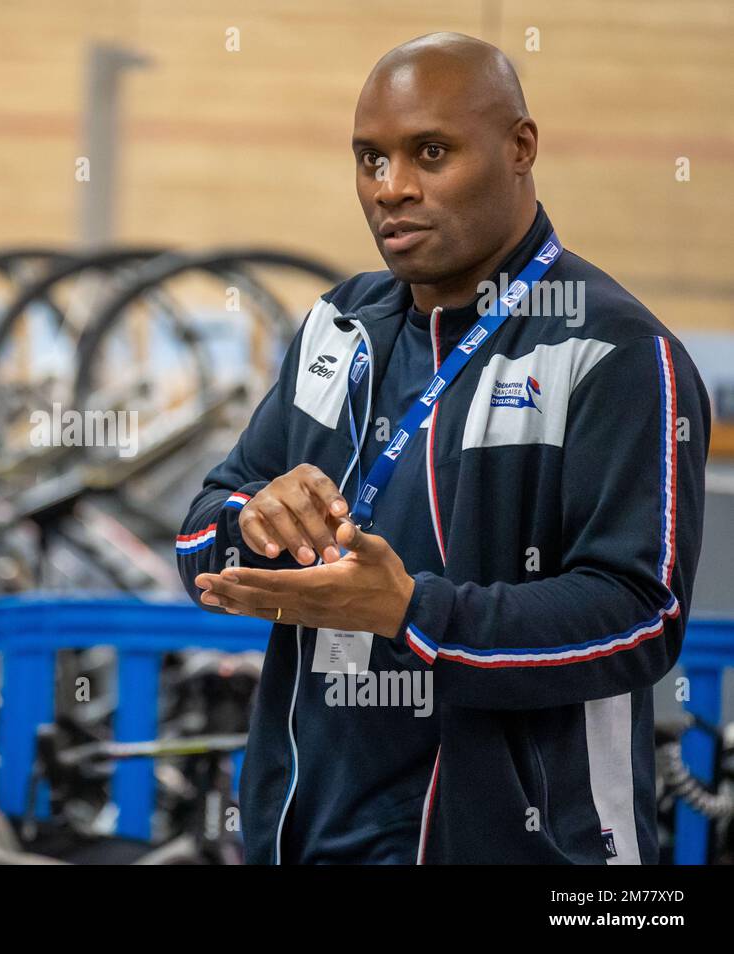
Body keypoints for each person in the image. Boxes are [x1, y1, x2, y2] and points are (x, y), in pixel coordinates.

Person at [178, 33, 709, 864]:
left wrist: (412, 615)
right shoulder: (336, 328)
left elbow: (641, 615)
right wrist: (254, 524)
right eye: (370, 159)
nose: (391, 188)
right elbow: (200, 534)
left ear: (520, 147)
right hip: (309, 841)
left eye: (431, 152)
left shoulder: (615, 353)